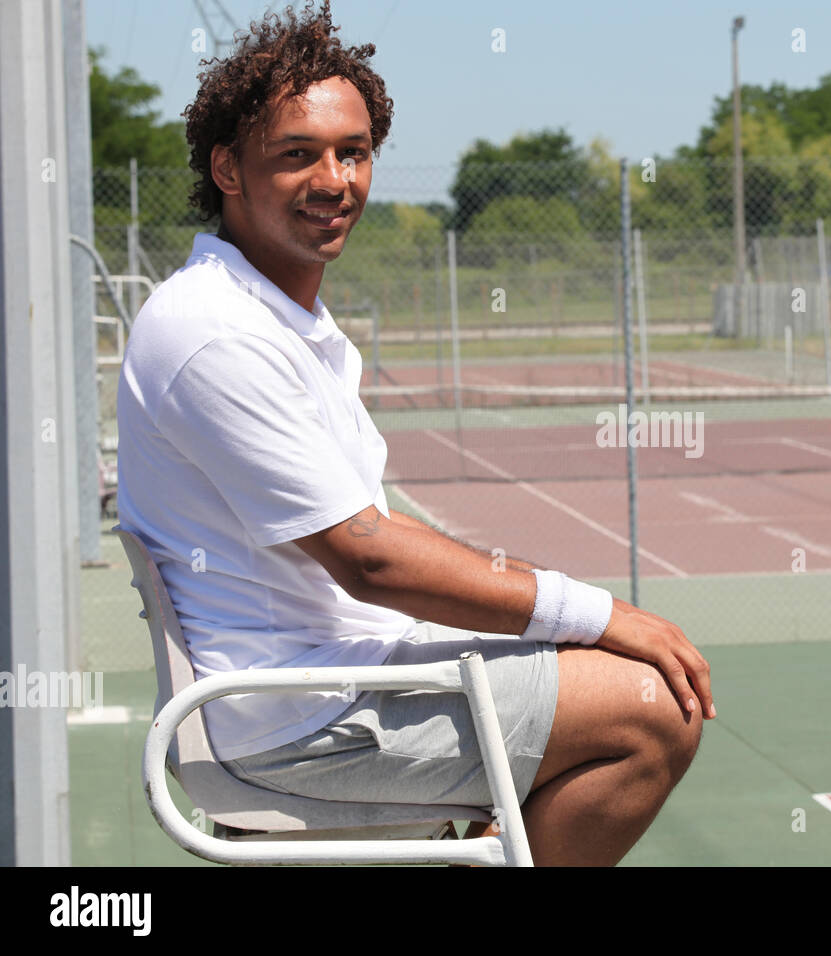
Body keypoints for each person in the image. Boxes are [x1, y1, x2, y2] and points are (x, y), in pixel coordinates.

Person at [115, 0, 713, 867]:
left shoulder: (276, 323)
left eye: (353, 153)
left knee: (587, 678)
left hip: (328, 682)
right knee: (651, 710)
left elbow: (374, 550)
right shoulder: (216, 330)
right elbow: (373, 558)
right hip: (298, 720)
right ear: (228, 170)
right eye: (297, 155)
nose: (335, 179)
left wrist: (548, 621)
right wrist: (600, 615)